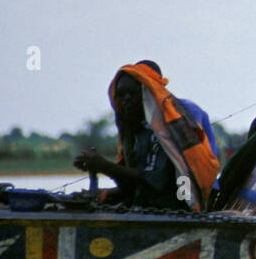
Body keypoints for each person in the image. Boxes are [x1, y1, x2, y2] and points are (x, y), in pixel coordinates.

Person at [73, 62, 220, 210]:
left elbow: (155, 180)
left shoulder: (173, 118)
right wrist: (108, 188)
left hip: (185, 195)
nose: (126, 100)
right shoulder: (137, 129)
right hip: (157, 196)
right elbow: (133, 180)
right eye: (121, 95)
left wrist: (104, 166)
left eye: (133, 92)